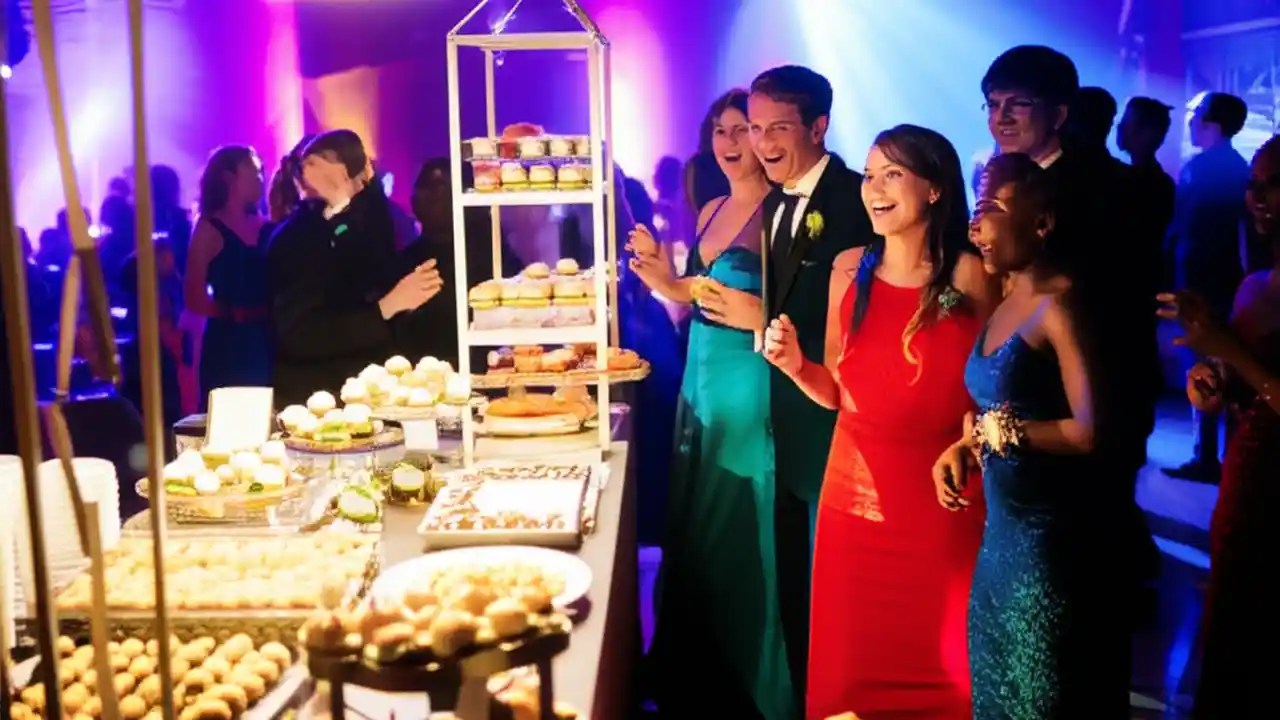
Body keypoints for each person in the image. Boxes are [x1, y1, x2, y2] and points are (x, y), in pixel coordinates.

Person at [765, 125, 996, 718]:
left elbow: (997, 388)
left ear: (936, 189)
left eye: (893, 174)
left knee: (946, 661)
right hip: (854, 502)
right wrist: (796, 367)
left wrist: (974, 441)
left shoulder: (973, 275)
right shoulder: (848, 269)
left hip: (942, 501)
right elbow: (840, 392)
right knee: (853, 666)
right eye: (870, 175)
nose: (875, 189)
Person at [936, 153, 1127, 718]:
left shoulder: (1060, 304)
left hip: (1045, 551)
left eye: (992, 208)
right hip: (999, 539)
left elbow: (1090, 430)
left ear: (1041, 224)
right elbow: (997, 412)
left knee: (1037, 699)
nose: (976, 226)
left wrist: (1004, 433)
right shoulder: (1004, 297)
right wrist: (965, 446)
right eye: (975, 209)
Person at [982, 45, 1157, 632]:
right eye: (992, 105)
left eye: (1017, 105)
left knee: (1080, 598)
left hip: (1084, 404)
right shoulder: (997, 182)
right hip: (1012, 415)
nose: (1001, 118)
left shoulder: (1112, 188)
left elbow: (1118, 310)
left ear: (1059, 115)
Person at [630, 88, 792, 719]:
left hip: (749, 375)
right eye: (720, 130)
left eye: (742, 130)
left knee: (739, 511)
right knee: (695, 516)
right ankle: (695, 670)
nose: (729, 143)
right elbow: (693, 292)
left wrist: (764, 317)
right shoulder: (712, 206)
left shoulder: (783, 212)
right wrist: (660, 277)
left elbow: (802, 311)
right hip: (700, 367)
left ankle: (752, 676)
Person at [747, 65, 875, 710]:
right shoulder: (772, 202)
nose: (761, 142)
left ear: (819, 126)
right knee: (796, 578)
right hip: (786, 417)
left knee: (841, 585)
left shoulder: (861, 200)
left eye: (778, 128)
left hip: (841, 416)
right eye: (754, 127)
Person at [1161, 134, 1280, 719]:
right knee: (1234, 615)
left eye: (1272, 185)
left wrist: (1232, 351)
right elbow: (1235, 380)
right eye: (1253, 186)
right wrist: (1210, 377)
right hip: (1247, 478)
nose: (1257, 199)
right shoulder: (1256, 285)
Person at [267, 130, 442, 408]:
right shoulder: (295, 238)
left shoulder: (371, 220)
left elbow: (372, 260)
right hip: (316, 397)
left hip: (369, 388)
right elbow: (301, 335)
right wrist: (386, 307)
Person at [1165, 92, 1252, 481]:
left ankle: (1205, 457)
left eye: (1197, 114)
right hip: (1228, 278)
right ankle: (1228, 455)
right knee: (1227, 365)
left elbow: (1180, 225)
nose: (1191, 121)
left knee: (1201, 367)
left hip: (1198, 280)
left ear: (1211, 123)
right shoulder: (1240, 168)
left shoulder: (1199, 170)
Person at [183, 146, 273, 409]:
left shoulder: (267, 224)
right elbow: (194, 298)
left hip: (267, 337)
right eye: (253, 172)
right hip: (229, 342)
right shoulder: (209, 228)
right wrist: (235, 313)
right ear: (229, 178)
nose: (260, 179)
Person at [1117, 96, 1176, 291]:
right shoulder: (1160, 181)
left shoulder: (1138, 182)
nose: (1120, 128)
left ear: (1148, 133)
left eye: (1127, 123)